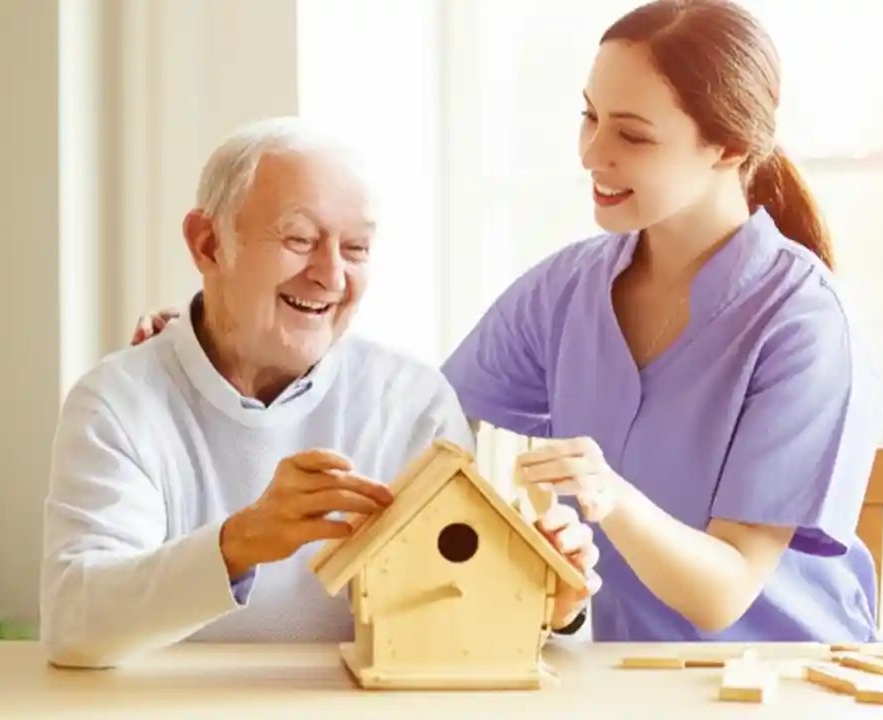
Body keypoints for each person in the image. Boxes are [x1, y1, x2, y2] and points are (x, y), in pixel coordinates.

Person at [131, 0, 883, 644]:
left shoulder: (803, 324)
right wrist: (217, 340)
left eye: (633, 134)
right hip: (613, 680)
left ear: (729, 146)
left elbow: (723, 596)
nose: (593, 151)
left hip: (788, 682)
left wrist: (609, 496)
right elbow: (412, 424)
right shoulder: (568, 289)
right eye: (589, 118)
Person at [40, 118, 598, 669]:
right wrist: (239, 543)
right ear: (208, 244)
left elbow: (466, 620)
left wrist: (555, 607)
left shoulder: (411, 402)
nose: (330, 276)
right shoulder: (119, 401)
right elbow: (75, 623)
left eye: (355, 249)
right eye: (300, 239)